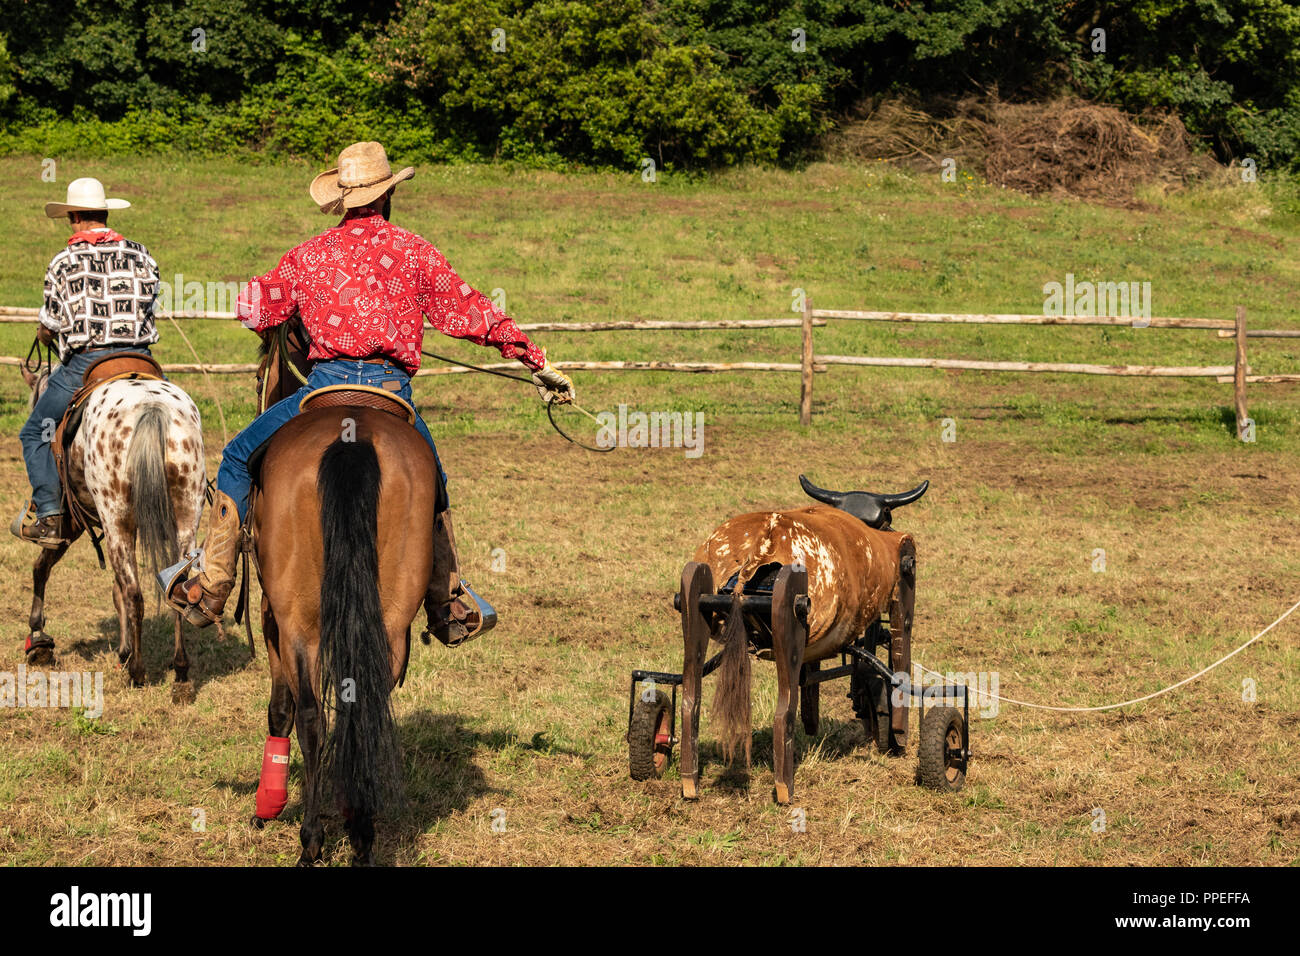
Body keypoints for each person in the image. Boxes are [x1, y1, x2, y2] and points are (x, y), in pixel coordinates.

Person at [163, 141, 575, 638]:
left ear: (343, 200)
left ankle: (211, 586)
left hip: (324, 388)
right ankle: (447, 601)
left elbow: (252, 308)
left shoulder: (307, 256)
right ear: (388, 196)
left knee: (234, 457)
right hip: (391, 392)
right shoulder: (415, 250)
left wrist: (290, 313)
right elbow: (473, 313)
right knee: (434, 484)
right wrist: (535, 360)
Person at [13, 177, 160, 547]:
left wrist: (44, 335)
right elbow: (149, 306)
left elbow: (50, 323)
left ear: (74, 216)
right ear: (105, 212)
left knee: (35, 433)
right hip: (141, 361)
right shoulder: (142, 254)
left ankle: (49, 512)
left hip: (87, 364)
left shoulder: (64, 261)